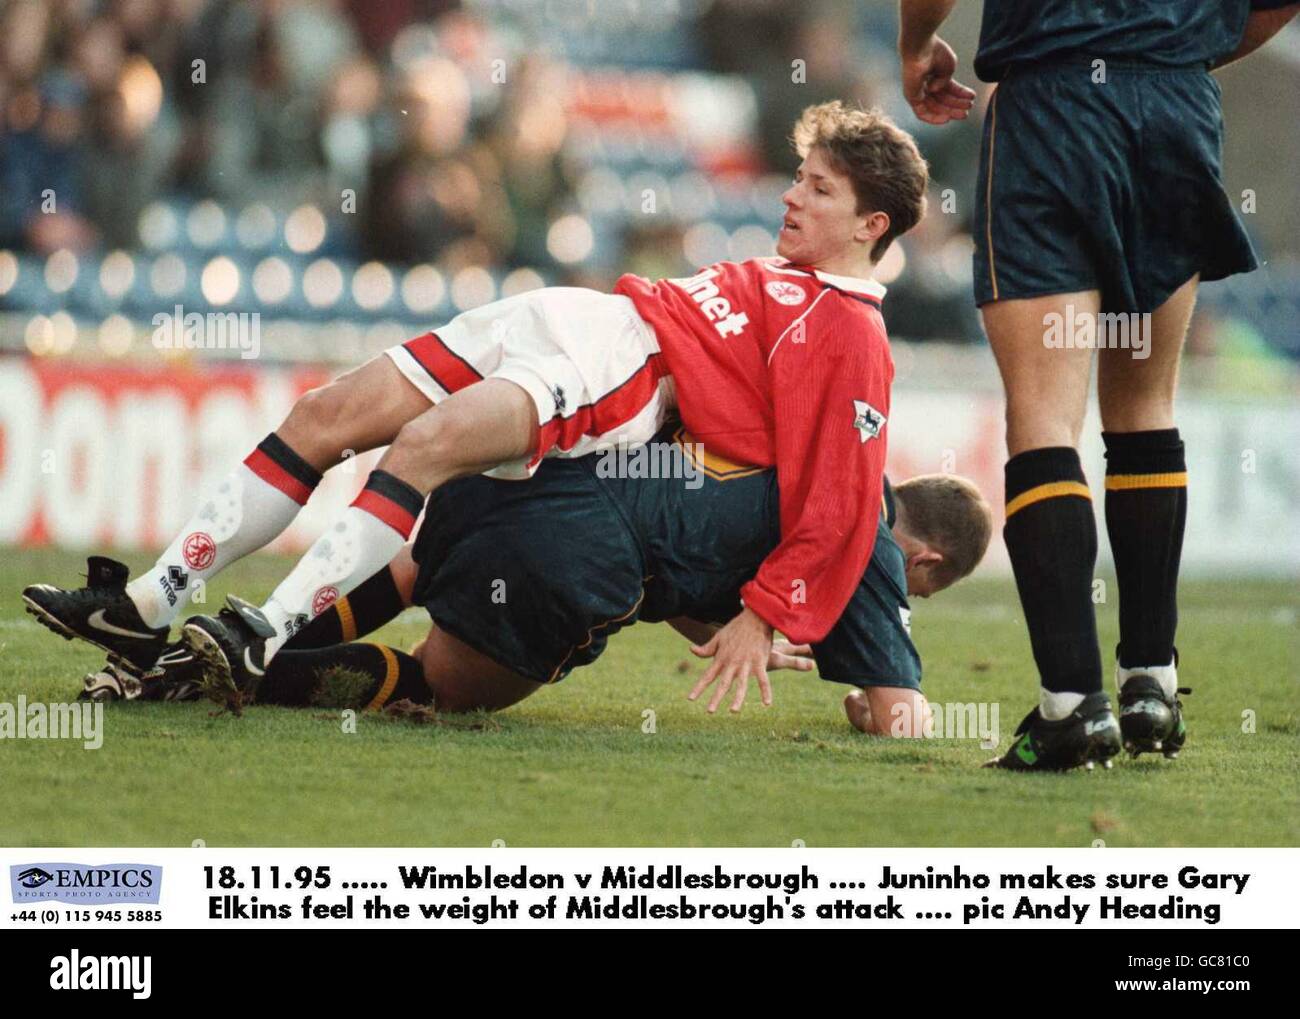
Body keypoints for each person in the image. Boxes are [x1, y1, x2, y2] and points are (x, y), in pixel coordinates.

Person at [25, 100, 930, 714]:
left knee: (423, 448)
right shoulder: (791, 280)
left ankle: (268, 630)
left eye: (819, 188)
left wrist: (767, 612)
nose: (790, 194)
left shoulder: (852, 336)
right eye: (799, 176)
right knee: (325, 416)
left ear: (871, 226)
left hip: (624, 368)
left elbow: (841, 498)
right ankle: (150, 600)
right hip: (578, 314)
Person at [896, 0, 1298, 770]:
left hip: (1054, 102)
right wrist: (1178, 50)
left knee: (1045, 419)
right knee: (1146, 405)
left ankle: (1072, 708)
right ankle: (1151, 681)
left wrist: (917, 44)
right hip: (1177, 105)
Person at [78, 424, 993, 737]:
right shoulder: (866, 537)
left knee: (421, 563)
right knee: (440, 680)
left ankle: (234, 638)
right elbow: (898, 713)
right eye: (917, 593)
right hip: (573, 557)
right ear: (927, 563)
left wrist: (726, 625)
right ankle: (247, 674)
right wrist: (871, 707)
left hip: (524, 471)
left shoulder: (801, 452)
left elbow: (691, 550)